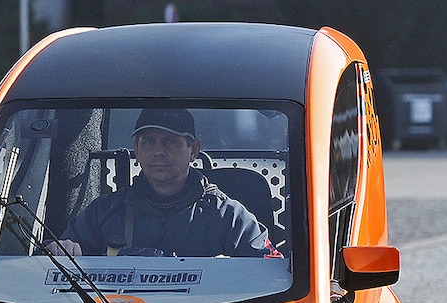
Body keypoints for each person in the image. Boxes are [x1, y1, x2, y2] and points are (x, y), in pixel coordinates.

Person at [47, 108, 280, 258]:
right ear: (136, 150)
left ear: (194, 150)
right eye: (148, 141)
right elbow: (56, 260)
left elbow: (271, 269)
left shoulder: (227, 215)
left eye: (170, 141)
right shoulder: (104, 212)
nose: (158, 151)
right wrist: (56, 250)